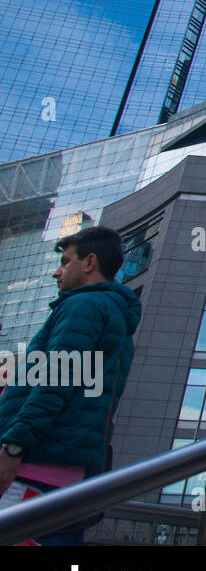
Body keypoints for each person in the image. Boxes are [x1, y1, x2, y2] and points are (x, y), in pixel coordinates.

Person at [0, 226, 141, 545]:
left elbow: (55, 382)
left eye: (65, 262)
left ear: (89, 262)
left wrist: (13, 447)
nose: (56, 272)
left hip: (31, 471)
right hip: (62, 476)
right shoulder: (113, 315)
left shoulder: (84, 306)